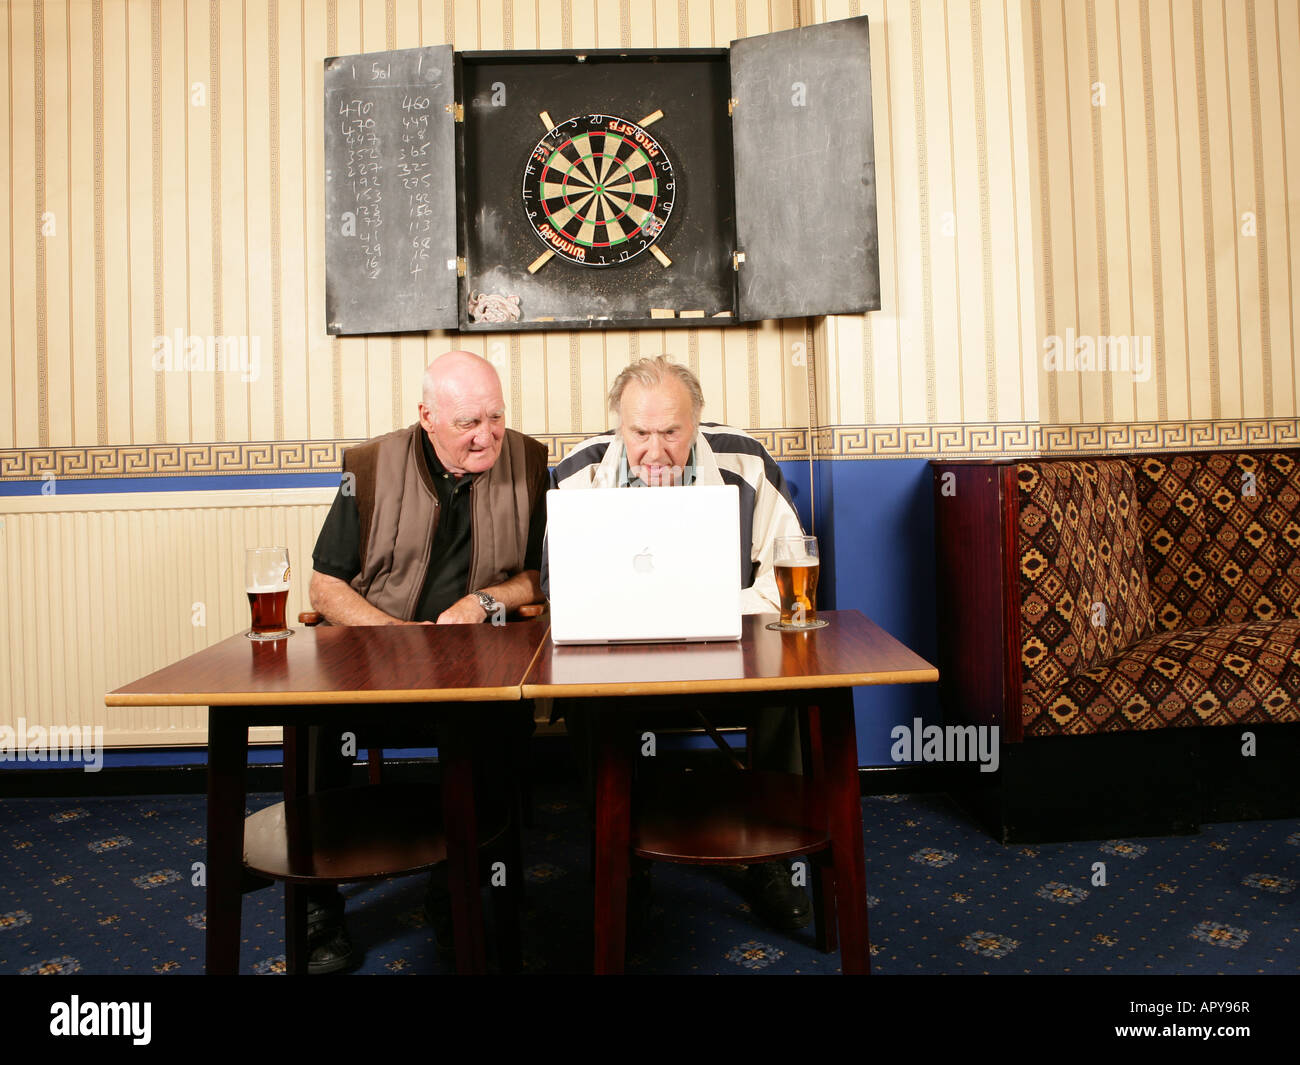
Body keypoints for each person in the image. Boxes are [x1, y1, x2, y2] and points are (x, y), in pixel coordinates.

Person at [546, 355, 813, 931]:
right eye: (640, 433)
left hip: (731, 649)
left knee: (788, 682)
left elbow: (786, 573)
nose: (656, 451)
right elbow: (558, 590)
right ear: (619, 425)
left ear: (697, 423)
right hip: (617, 657)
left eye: (672, 432)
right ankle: (618, 860)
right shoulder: (577, 473)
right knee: (582, 698)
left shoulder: (748, 461)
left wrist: (710, 609)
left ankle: (778, 857)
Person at [306, 350, 548, 972]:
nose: (487, 435)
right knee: (314, 726)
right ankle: (317, 904)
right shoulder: (369, 466)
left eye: (496, 417)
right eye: (469, 422)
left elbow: (541, 577)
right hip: (377, 653)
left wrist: (484, 600)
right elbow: (325, 587)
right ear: (427, 416)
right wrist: (393, 636)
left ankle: (460, 896)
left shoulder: (529, 461)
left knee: (497, 726)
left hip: (480, 658)